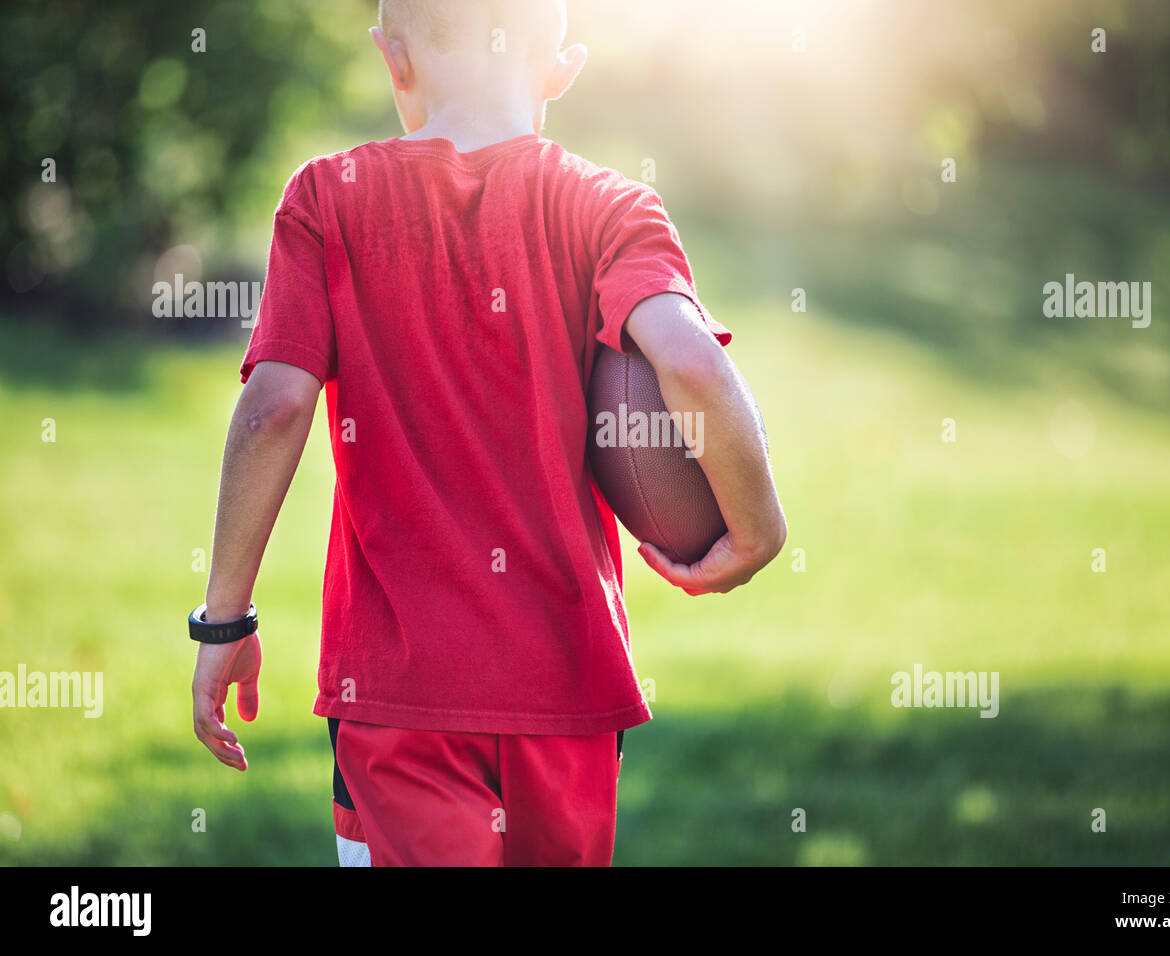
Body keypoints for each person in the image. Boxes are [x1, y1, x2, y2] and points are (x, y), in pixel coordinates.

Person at [189, 0, 786, 867]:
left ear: (392, 58)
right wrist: (759, 524)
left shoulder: (327, 198)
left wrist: (224, 620)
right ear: (561, 67)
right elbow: (691, 363)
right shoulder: (611, 208)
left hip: (398, 697)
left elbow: (275, 405)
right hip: (570, 695)